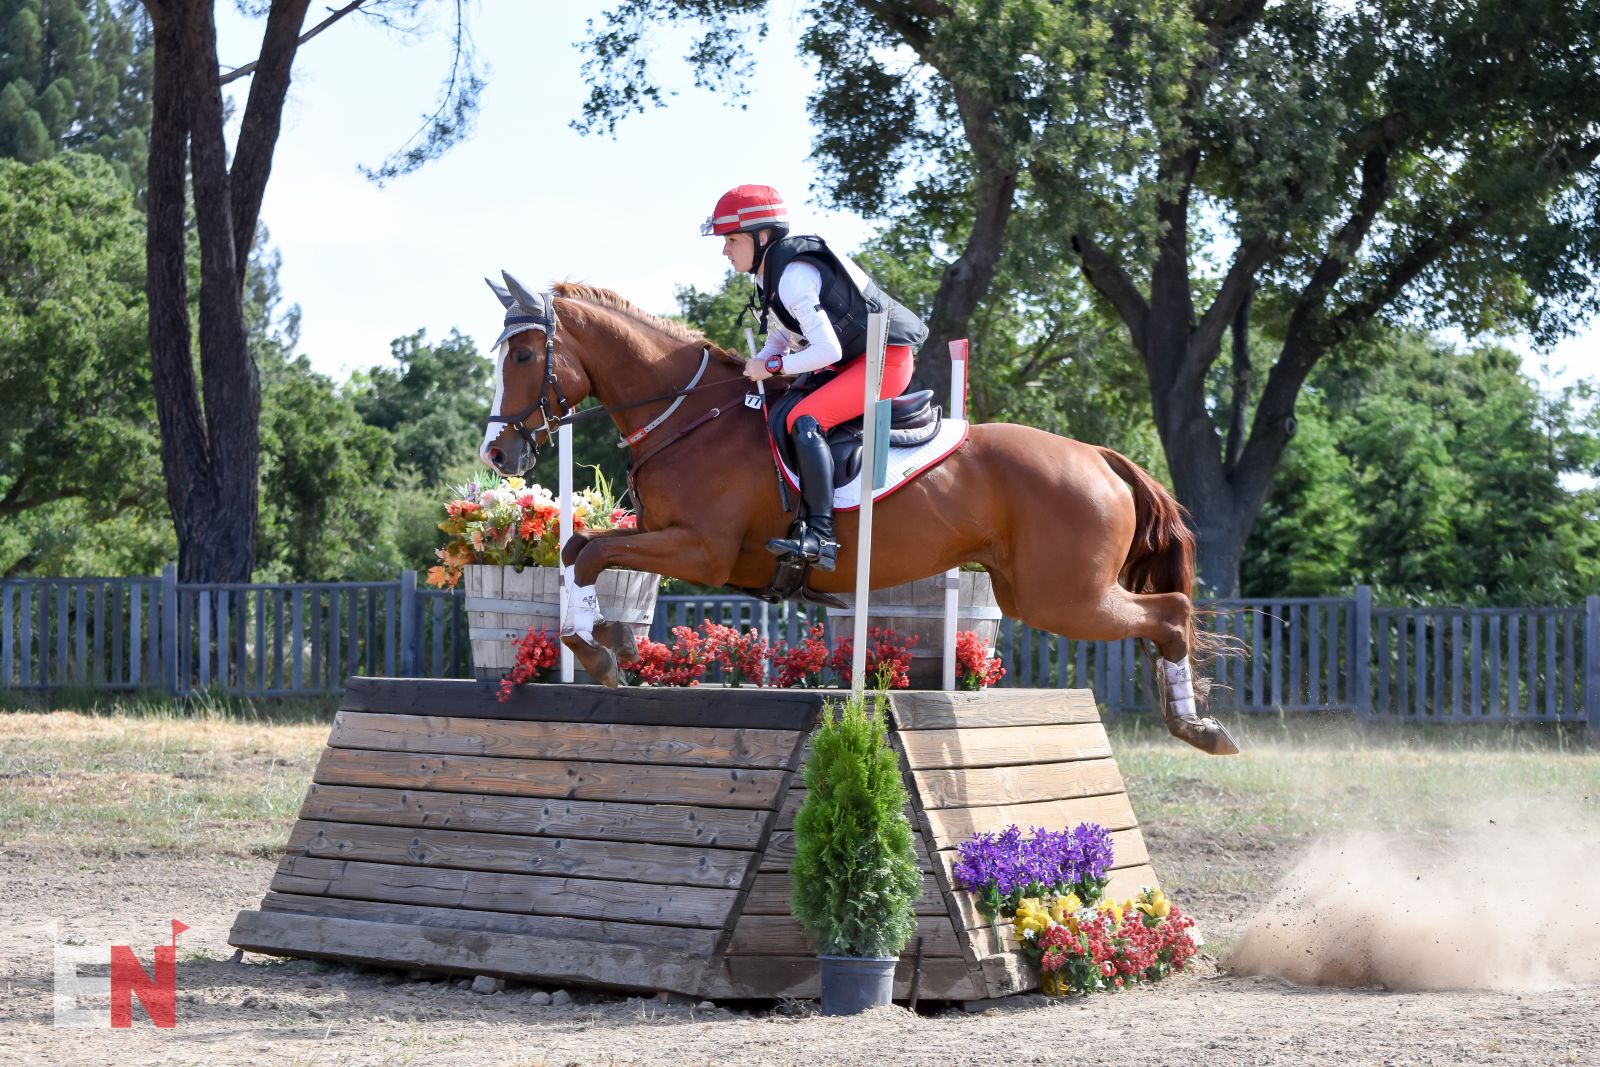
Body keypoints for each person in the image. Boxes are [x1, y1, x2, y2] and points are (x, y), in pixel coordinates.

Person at [703, 184, 928, 572]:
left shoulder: (793, 278)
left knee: (804, 420)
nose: (725, 250)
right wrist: (760, 360)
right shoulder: (768, 275)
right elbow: (785, 334)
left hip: (883, 361)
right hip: (852, 360)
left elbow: (827, 351)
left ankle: (821, 537)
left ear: (761, 237)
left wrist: (771, 368)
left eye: (732, 240)